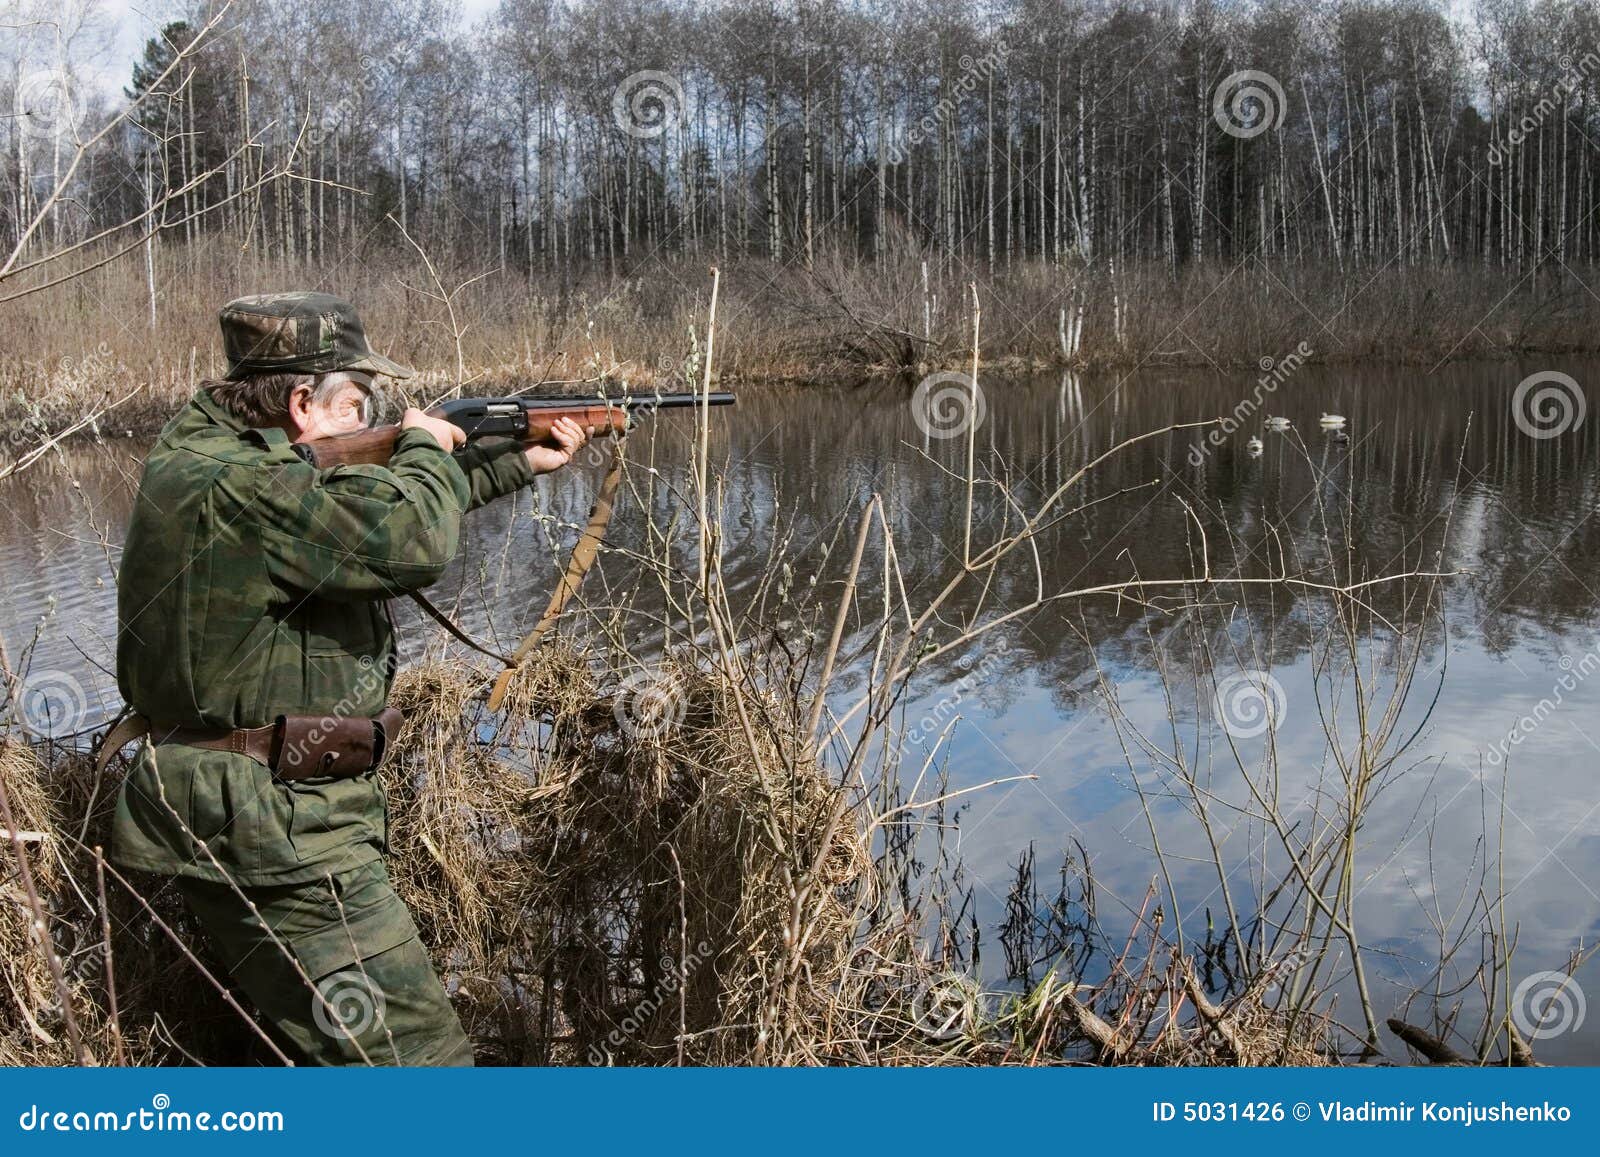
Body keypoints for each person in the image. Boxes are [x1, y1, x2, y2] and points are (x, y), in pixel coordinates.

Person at [106, 291, 589, 1065]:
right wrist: (424, 442)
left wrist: (515, 461)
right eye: (357, 403)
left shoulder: (206, 454)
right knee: (420, 1069)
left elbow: (355, 515)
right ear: (302, 402)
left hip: (242, 811)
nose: (370, 422)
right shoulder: (251, 487)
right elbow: (406, 536)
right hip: (280, 834)